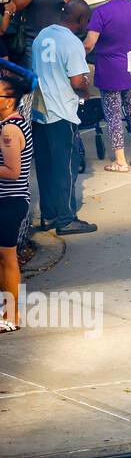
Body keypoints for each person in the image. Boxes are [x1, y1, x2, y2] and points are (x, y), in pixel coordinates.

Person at [30, 0, 97, 236]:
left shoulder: (42, 36)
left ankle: (48, 215)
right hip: (61, 111)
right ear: (81, 20)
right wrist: (86, 90)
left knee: (45, 166)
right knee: (65, 167)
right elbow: (77, 80)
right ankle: (66, 218)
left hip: (39, 109)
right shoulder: (72, 42)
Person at [82, 0, 131, 172]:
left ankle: (120, 159)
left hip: (110, 70)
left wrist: (76, 58)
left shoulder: (101, 13)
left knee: (112, 114)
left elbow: (89, 44)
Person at [0, 65, 34, 333]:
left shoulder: (10, 130)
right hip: (9, 201)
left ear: (9, 100)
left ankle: (12, 316)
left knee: (7, 258)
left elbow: (12, 172)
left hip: (9, 202)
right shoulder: (11, 123)